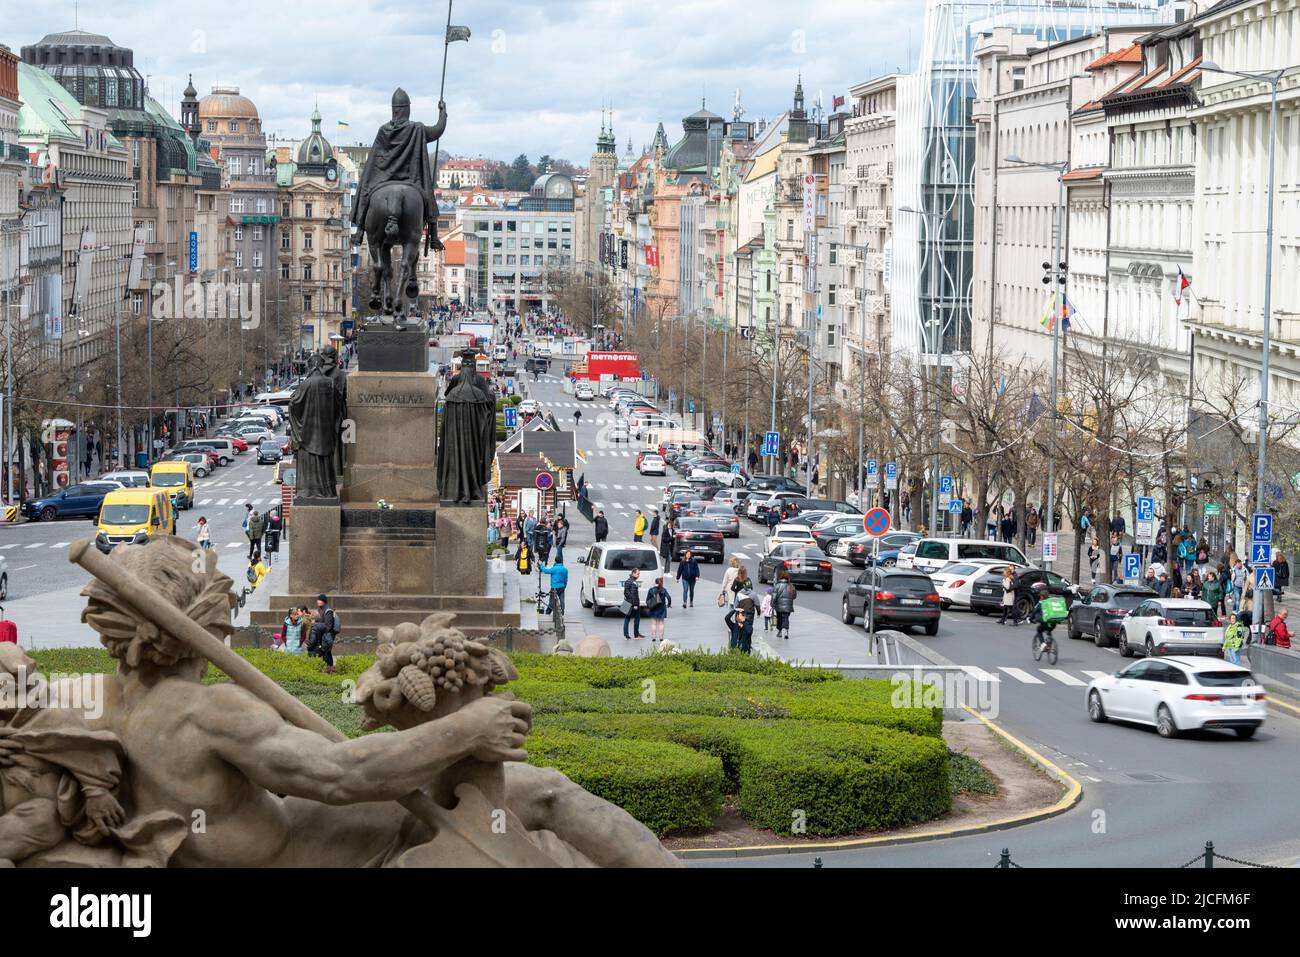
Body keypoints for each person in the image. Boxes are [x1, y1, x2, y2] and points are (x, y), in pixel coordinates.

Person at [1027, 581, 1067, 656]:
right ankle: (1049, 644)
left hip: (1045, 622)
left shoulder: (1041, 603)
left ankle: (1043, 644)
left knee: (1039, 630)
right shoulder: (1051, 601)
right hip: (1053, 622)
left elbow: (1034, 612)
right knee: (1049, 631)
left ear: (1041, 596)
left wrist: (1030, 619)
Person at [308, 594, 339, 674]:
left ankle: (330, 669)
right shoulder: (320, 609)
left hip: (326, 636)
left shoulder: (327, 611)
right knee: (326, 653)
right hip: (322, 635)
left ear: (324, 601)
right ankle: (330, 669)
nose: (318, 601)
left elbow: (328, 626)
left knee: (326, 653)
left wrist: (316, 625)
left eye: (320, 600)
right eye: (318, 600)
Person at [645, 576, 671, 643]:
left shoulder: (651, 590)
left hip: (653, 607)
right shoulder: (663, 590)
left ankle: (653, 638)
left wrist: (649, 605)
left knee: (653, 623)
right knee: (661, 623)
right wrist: (669, 604)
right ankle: (661, 638)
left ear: (655, 582)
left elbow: (647, 599)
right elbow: (669, 597)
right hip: (661, 607)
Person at [772, 570, 796, 640]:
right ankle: (786, 632)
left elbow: (774, 596)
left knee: (779, 618)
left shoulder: (777, 585)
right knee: (786, 618)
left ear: (781, 577)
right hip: (788, 606)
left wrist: (773, 603)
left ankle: (779, 632)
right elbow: (794, 596)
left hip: (779, 606)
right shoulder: (791, 586)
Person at [622, 568, 644, 640]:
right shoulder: (633, 583)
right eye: (638, 574)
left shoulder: (627, 581)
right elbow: (633, 594)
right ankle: (636, 634)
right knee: (637, 618)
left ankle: (626, 634)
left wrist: (628, 600)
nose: (639, 575)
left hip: (626, 602)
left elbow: (626, 593)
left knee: (627, 618)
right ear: (633, 573)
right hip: (634, 603)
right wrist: (635, 604)